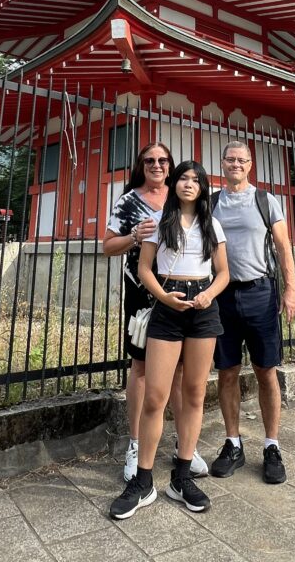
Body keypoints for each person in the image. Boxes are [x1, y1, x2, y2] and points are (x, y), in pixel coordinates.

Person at [109, 160, 229, 520]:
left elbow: (224, 272)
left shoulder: (212, 225)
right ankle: (143, 481)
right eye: (183, 179)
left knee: (193, 394)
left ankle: (181, 476)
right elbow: (144, 267)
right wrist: (163, 297)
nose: (189, 184)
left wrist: (210, 294)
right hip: (168, 305)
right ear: (174, 184)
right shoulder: (161, 223)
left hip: (203, 308)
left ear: (203, 187)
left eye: (196, 180)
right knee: (156, 396)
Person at [103, 142, 208, 481]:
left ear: (172, 166)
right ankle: (135, 443)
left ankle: (184, 444)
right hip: (142, 293)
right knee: (142, 368)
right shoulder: (128, 200)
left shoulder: (181, 197)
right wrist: (134, 235)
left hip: (183, 291)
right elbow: (107, 246)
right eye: (150, 160)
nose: (157, 165)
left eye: (163, 160)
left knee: (178, 371)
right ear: (141, 165)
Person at [210, 140, 295, 484]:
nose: (236, 164)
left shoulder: (265, 200)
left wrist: (290, 288)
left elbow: (282, 245)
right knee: (228, 372)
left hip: (260, 291)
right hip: (223, 296)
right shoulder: (213, 203)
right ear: (222, 163)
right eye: (230, 159)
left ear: (250, 165)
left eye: (242, 160)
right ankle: (233, 443)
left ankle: (272, 445)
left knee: (266, 370)